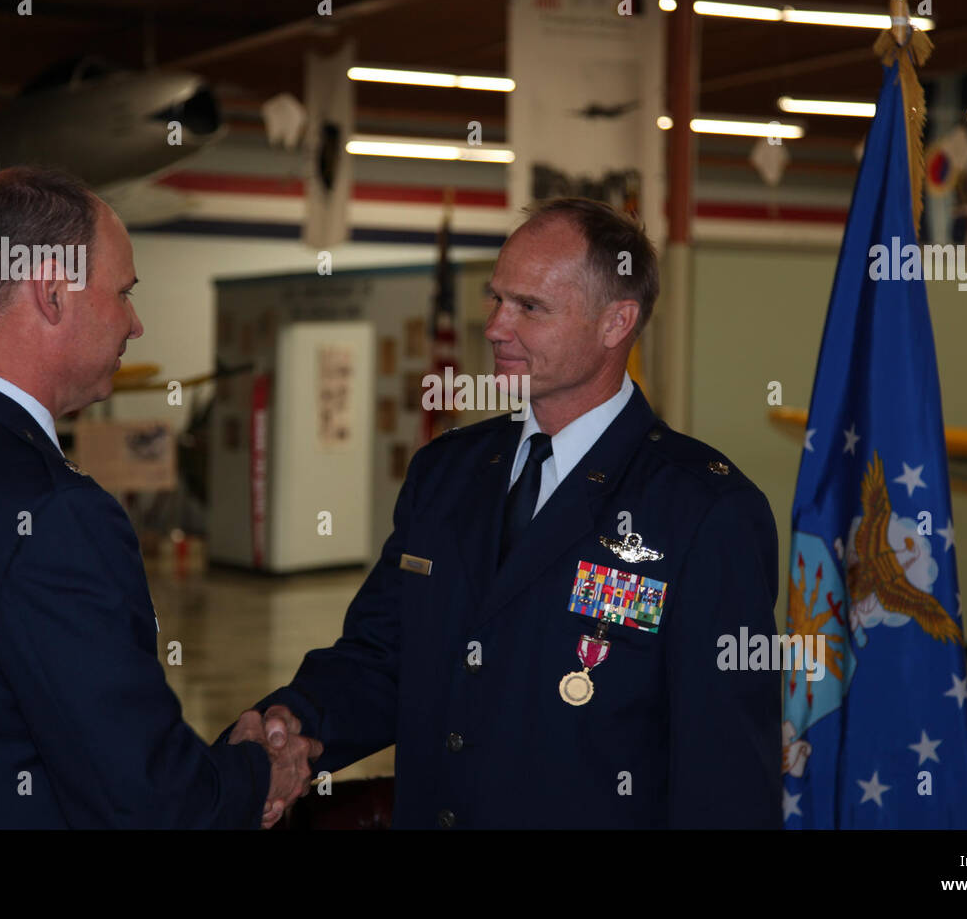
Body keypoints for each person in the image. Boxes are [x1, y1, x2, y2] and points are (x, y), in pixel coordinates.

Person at [245, 198, 781, 828]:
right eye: (495, 299)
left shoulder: (703, 509)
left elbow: (723, 771)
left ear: (617, 323)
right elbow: (383, 657)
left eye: (530, 307)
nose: (497, 327)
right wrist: (291, 724)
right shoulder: (445, 474)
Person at [0, 166, 319, 828]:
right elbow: (145, 803)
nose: (135, 324)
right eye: (123, 293)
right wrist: (260, 771)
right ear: (54, 293)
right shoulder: (57, 516)